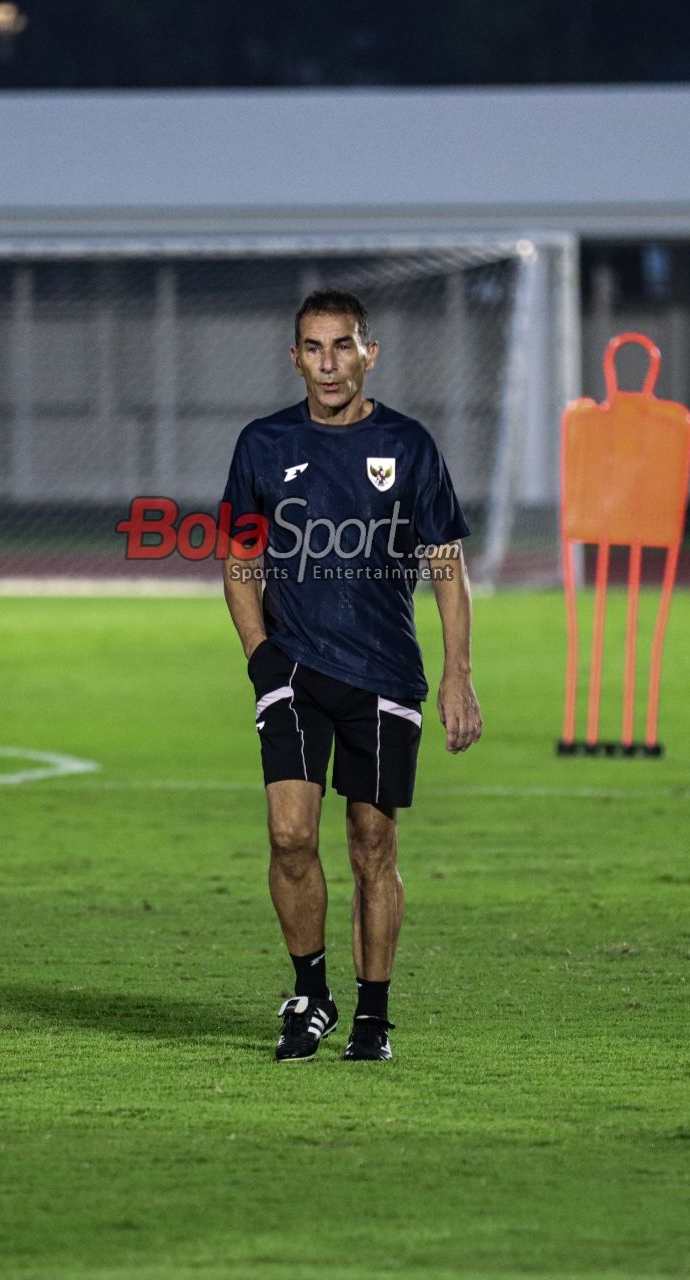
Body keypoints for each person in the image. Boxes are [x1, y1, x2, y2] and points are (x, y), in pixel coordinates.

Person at [219, 287, 482, 1062]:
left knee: (373, 846)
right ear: (293, 358)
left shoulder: (409, 446)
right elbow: (238, 560)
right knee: (289, 834)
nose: (328, 364)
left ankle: (373, 1014)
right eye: (314, 348)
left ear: (370, 353)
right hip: (294, 669)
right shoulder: (262, 444)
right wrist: (260, 656)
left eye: (343, 347)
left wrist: (457, 674)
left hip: (384, 675)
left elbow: (446, 567)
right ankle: (312, 994)